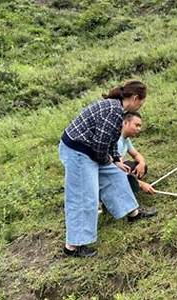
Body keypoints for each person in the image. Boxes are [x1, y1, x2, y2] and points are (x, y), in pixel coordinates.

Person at [59, 80, 157, 258]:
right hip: (78, 152)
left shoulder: (117, 110)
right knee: (84, 197)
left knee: (117, 175)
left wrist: (117, 160)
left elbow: (110, 139)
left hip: (90, 150)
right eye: (141, 102)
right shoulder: (113, 111)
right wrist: (110, 159)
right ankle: (72, 246)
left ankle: (133, 213)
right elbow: (99, 148)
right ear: (135, 98)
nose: (140, 106)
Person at [117, 111, 148, 193]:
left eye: (140, 126)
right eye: (136, 125)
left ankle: (131, 184)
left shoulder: (126, 139)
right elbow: (117, 170)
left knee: (142, 167)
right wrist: (141, 184)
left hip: (121, 168)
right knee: (126, 177)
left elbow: (136, 154)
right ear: (125, 123)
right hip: (114, 172)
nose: (139, 129)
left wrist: (142, 163)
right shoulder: (117, 141)